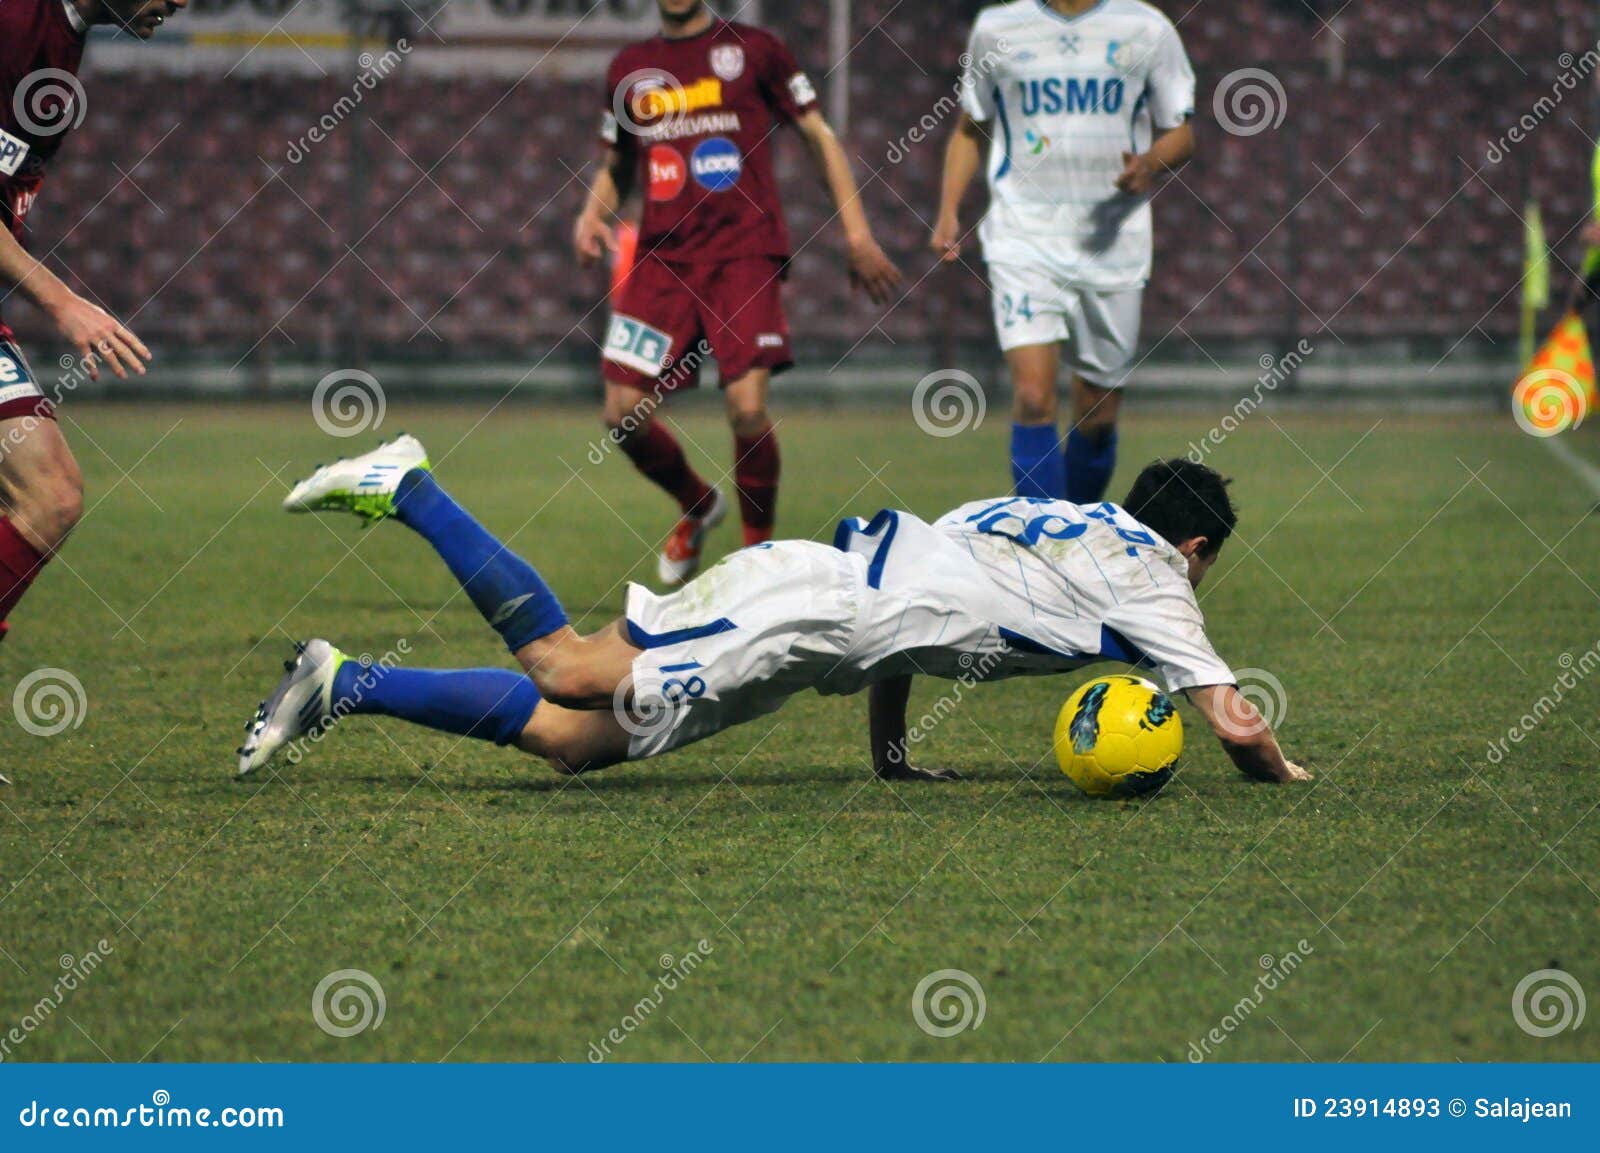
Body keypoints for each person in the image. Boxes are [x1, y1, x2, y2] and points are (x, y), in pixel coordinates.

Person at [238, 436, 1309, 787]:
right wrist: (1285, 775)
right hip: (805, 610)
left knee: (573, 740)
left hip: (825, 629)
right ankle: (410, 485)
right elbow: (1232, 721)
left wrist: (889, 755)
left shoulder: (1044, 517)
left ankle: (344, 682)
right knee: (567, 669)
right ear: (1196, 546)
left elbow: (925, 615)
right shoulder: (1157, 576)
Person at [573, 0, 901, 587]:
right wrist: (591, 215)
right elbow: (617, 163)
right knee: (622, 415)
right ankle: (698, 505)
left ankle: (759, 562)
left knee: (747, 409)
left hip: (744, 253)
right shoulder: (630, 67)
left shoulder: (756, 50)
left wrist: (857, 233)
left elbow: (818, 137)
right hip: (661, 260)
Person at [931, 0, 1195, 504]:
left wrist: (1149, 164)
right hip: (1023, 236)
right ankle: (1048, 551)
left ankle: (1077, 533)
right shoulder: (997, 29)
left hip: (1112, 242)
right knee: (1033, 397)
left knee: (1097, 414)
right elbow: (970, 126)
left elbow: (1181, 132)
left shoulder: (1145, 27)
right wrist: (948, 211)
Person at [0, 0, 180, 645]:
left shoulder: (62, 51)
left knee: (50, 495)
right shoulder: (13, 21)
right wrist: (64, 303)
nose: (183, 2)